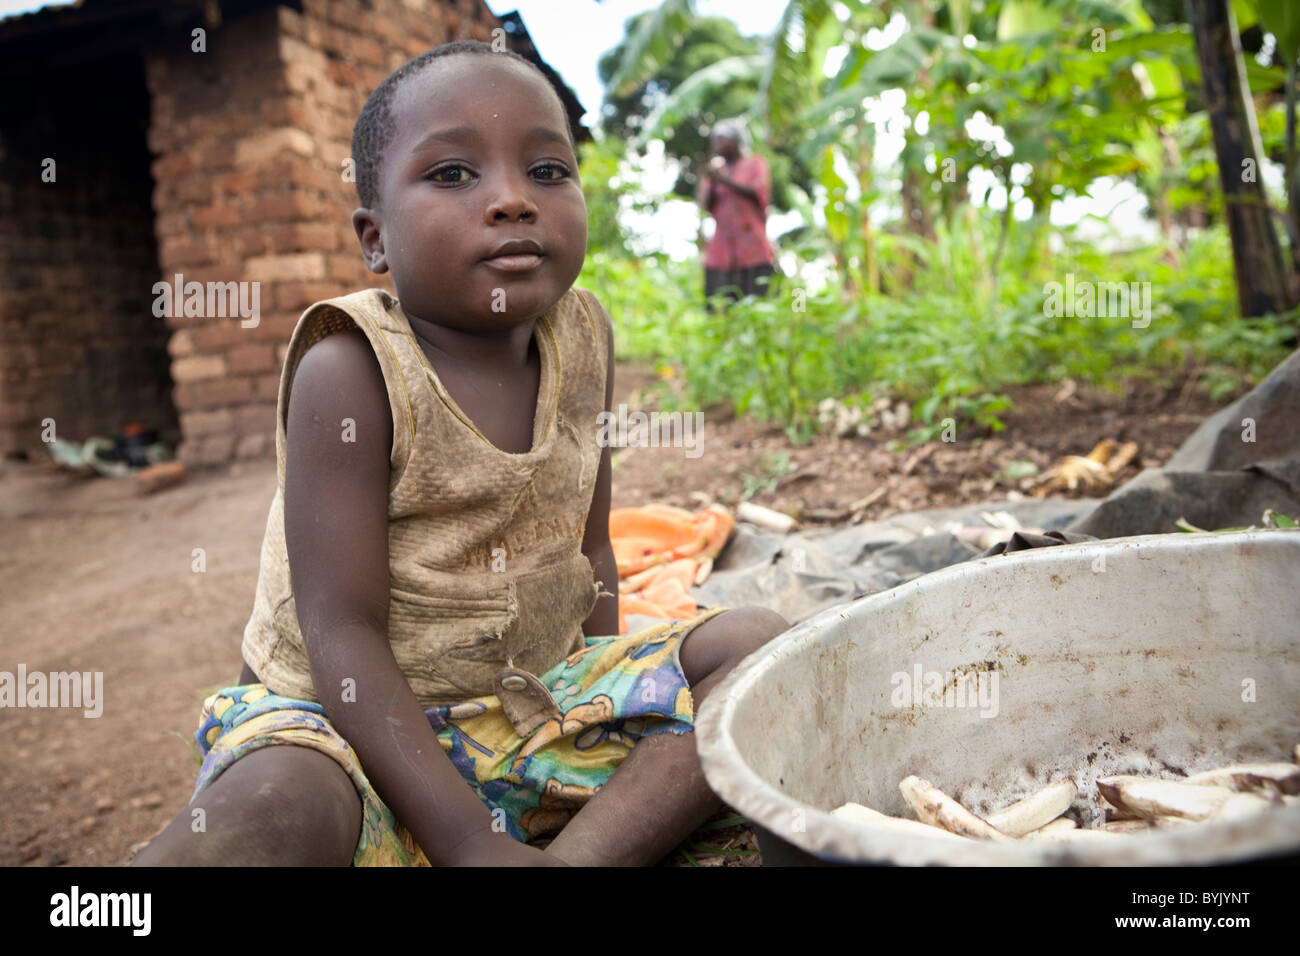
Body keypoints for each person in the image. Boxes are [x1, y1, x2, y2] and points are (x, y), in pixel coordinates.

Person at [131, 41, 788, 867]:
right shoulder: (353, 367)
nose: (513, 200)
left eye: (549, 170)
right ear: (375, 239)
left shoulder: (583, 337)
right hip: (350, 724)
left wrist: (597, 710)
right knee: (274, 808)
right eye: (452, 175)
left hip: (525, 706)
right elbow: (341, 630)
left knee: (760, 649)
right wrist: (470, 840)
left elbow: (589, 549)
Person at [696, 121, 777, 307]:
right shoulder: (716, 171)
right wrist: (710, 181)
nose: (716, 144)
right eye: (714, 140)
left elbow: (758, 192)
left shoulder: (755, 163)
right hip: (721, 251)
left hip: (753, 248)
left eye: (721, 139)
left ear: (736, 141)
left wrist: (723, 180)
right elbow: (705, 205)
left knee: (758, 304)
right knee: (718, 306)